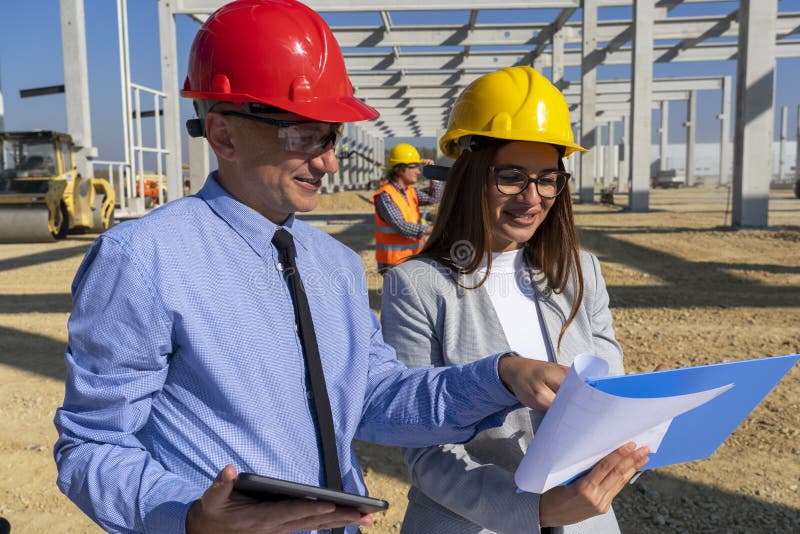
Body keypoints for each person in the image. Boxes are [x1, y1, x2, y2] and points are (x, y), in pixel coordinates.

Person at [53, 4, 572, 533]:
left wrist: (500, 375)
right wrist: (189, 517)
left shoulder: (335, 265)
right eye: (304, 136)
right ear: (223, 135)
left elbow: (376, 397)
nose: (328, 161)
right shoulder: (145, 259)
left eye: (332, 137)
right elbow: (92, 444)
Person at [381, 66, 651, 533]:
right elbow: (425, 450)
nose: (533, 198)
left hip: (586, 519)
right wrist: (537, 512)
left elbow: (609, 396)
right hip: (472, 521)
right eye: (511, 177)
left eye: (548, 178)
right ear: (468, 175)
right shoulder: (417, 286)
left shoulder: (581, 272)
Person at [373, 143, 441, 274]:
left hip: (412, 258)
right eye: (413, 167)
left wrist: (433, 173)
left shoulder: (410, 192)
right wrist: (433, 229)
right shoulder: (386, 196)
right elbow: (402, 227)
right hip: (394, 263)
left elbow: (434, 198)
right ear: (399, 169)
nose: (418, 171)